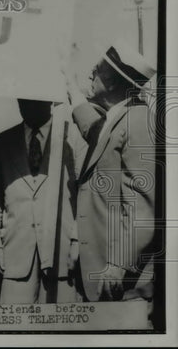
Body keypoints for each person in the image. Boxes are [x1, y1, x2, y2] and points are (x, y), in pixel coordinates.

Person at [64, 43, 156, 304]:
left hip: (121, 280)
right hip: (103, 274)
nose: (90, 76)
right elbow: (92, 132)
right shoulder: (116, 118)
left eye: (95, 71)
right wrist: (71, 85)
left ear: (112, 82)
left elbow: (143, 210)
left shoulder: (139, 122)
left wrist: (118, 264)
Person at [0, 99, 80, 304]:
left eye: (35, 98)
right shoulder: (1, 143)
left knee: (61, 329)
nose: (28, 103)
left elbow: (84, 194)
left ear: (50, 100)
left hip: (62, 258)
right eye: (22, 98)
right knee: (13, 330)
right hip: (15, 259)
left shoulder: (73, 137)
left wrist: (77, 240)